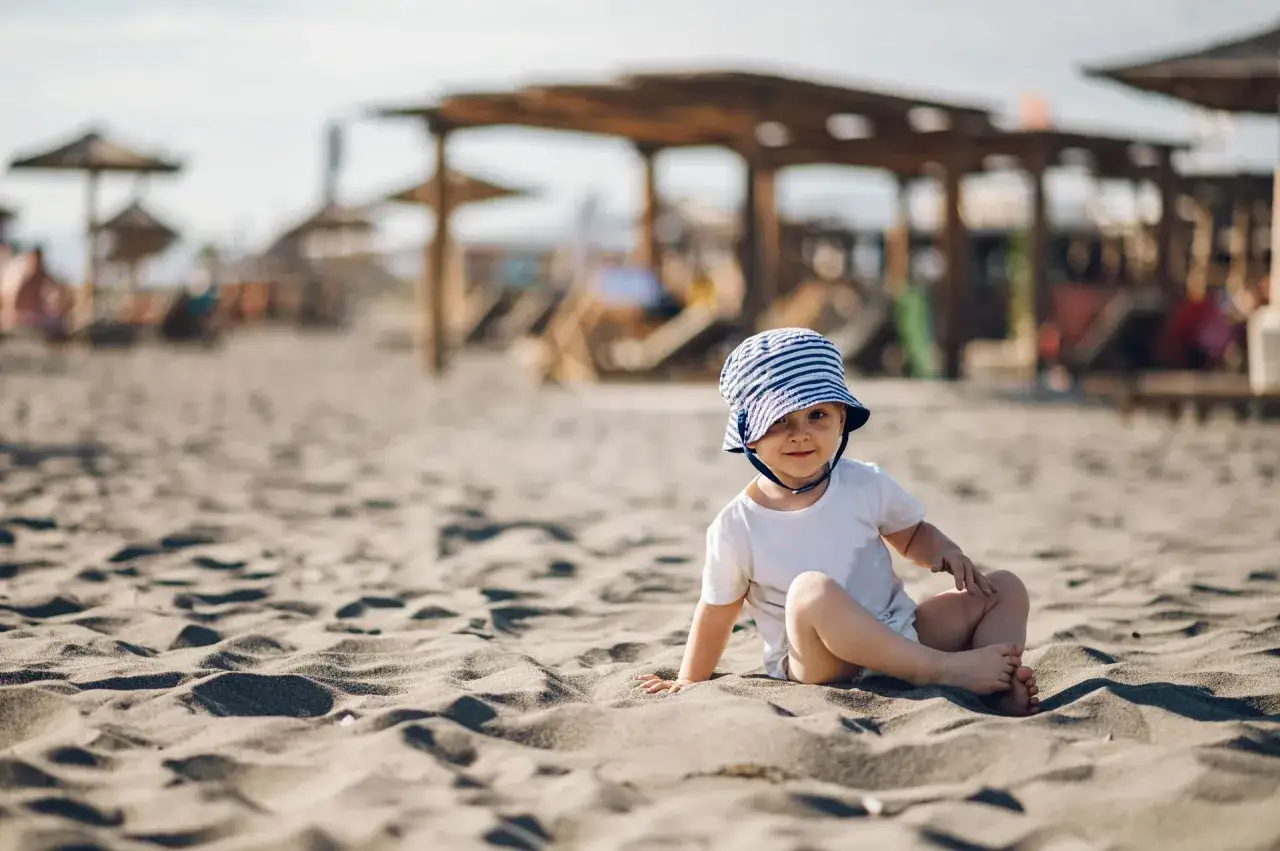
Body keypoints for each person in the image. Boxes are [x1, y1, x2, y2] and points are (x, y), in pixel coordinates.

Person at [636, 328, 1040, 715]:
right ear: (748, 436)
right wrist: (689, 680)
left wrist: (944, 551)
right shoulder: (737, 525)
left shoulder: (863, 483)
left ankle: (999, 687)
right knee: (812, 591)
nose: (800, 435)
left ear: (842, 420)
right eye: (778, 422)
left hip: (900, 632)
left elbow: (912, 535)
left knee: (1004, 587)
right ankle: (942, 670)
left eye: (816, 415)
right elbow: (716, 613)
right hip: (821, 661)